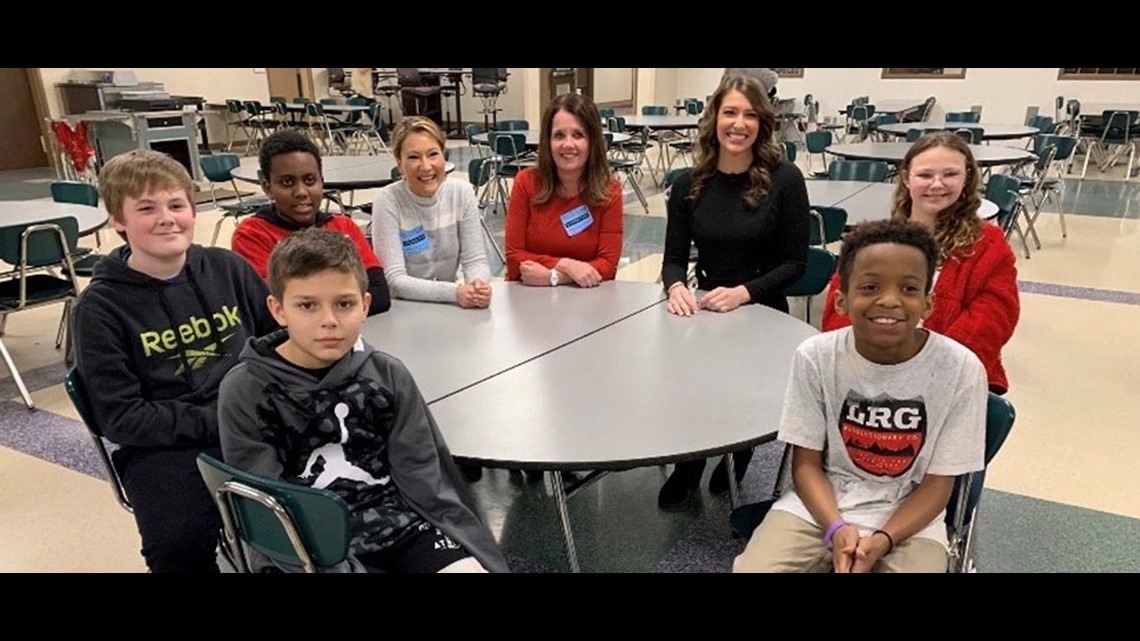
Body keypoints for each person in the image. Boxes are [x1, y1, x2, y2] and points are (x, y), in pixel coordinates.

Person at [217, 228, 509, 573]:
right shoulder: (246, 390)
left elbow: (423, 478)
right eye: (307, 305)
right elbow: (268, 507)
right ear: (278, 310)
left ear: (365, 305)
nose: (329, 321)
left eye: (344, 304)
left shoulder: (387, 374)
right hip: (308, 547)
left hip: (401, 527)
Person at [733, 219, 987, 573]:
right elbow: (805, 465)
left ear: (928, 304)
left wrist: (882, 539)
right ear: (841, 299)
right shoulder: (816, 357)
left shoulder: (961, 369)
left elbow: (937, 486)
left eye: (909, 289)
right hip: (819, 507)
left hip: (911, 518)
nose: (889, 300)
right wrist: (836, 527)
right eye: (869, 287)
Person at [71, 149, 278, 573]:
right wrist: (221, 419)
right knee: (176, 547)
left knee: (343, 484)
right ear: (118, 219)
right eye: (146, 208)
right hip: (164, 445)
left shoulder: (228, 268)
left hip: (253, 419)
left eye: (176, 205)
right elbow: (122, 418)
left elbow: (278, 345)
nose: (166, 218)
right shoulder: (99, 309)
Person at [657, 71, 810, 507]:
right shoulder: (689, 183)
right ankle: (689, 464)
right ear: (714, 119)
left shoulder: (786, 180)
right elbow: (673, 258)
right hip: (705, 308)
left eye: (749, 115)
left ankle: (737, 457)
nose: (738, 124)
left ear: (762, 122)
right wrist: (674, 288)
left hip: (763, 309)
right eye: (729, 113)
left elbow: (795, 264)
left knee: (742, 397)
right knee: (693, 389)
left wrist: (744, 292)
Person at [821, 131, 1020, 394]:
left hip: (951, 378)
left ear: (967, 177)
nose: (937, 184)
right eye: (925, 175)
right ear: (906, 178)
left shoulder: (989, 244)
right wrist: (866, 362)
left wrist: (926, 369)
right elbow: (840, 308)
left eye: (950, 174)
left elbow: (993, 319)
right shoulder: (874, 239)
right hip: (868, 372)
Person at [230, 129, 391, 316]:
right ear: (268, 188)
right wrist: (345, 298)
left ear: (322, 183)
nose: (301, 191)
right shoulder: (252, 236)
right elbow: (270, 311)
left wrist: (309, 303)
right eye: (287, 182)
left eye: (309, 180)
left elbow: (380, 294)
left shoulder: (343, 226)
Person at [504, 92, 623, 288]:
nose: (568, 144)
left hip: (586, 302)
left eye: (578, 135)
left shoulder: (610, 191)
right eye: (559, 135)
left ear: (592, 141)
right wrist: (566, 265)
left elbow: (608, 266)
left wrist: (554, 276)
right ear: (547, 141)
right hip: (526, 299)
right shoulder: (525, 183)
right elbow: (514, 258)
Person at [372, 116, 492, 308]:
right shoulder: (388, 201)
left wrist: (478, 285)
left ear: (443, 156)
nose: (426, 166)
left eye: (433, 154)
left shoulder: (461, 193)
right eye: (413, 157)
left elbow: (475, 260)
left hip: (449, 308)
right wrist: (454, 293)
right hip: (406, 308)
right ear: (399, 163)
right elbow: (394, 280)